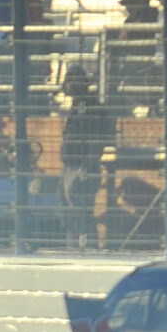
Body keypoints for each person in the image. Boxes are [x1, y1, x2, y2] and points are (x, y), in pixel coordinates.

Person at [58, 63, 118, 245]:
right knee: (71, 210)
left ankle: (85, 246)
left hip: (82, 166)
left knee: (81, 210)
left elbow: (95, 137)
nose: (68, 85)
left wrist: (88, 164)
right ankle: (77, 246)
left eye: (71, 80)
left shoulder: (89, 105)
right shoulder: (78, 105)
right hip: (72, 165)